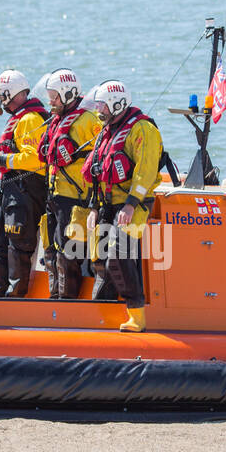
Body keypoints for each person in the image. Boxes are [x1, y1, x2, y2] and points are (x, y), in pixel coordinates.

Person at [84, 80, 163, 333]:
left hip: (134, 204)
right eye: (98, 105)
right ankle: (102, 312)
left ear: (118, 104)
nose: (99, 111)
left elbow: (146, 172)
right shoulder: (107, 130)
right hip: (108, 203)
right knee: (101, 260)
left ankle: (137, 314)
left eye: (103, 106)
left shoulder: (142, 130)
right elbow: (98, 171)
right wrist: (94, 207)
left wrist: (130, 205)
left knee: (119, 256)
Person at [36, 69, 100, 299]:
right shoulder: (56, 121)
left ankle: (67, 302)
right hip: (54, 194)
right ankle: (54, 298)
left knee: (68, 253)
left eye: (54, 97)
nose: (50, 101)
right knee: (51, 249)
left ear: (70, 94)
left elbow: (101, 155)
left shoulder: (89, 121)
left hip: (74, 196)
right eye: (50, 96)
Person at [0, 69, 49, 297]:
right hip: (11, 191)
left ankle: (15, 297)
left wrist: (3, 159)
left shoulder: (31, 119)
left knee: (19, 245)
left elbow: (36, 160)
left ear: (7, 95)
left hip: (26, 192)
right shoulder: (21, 118)